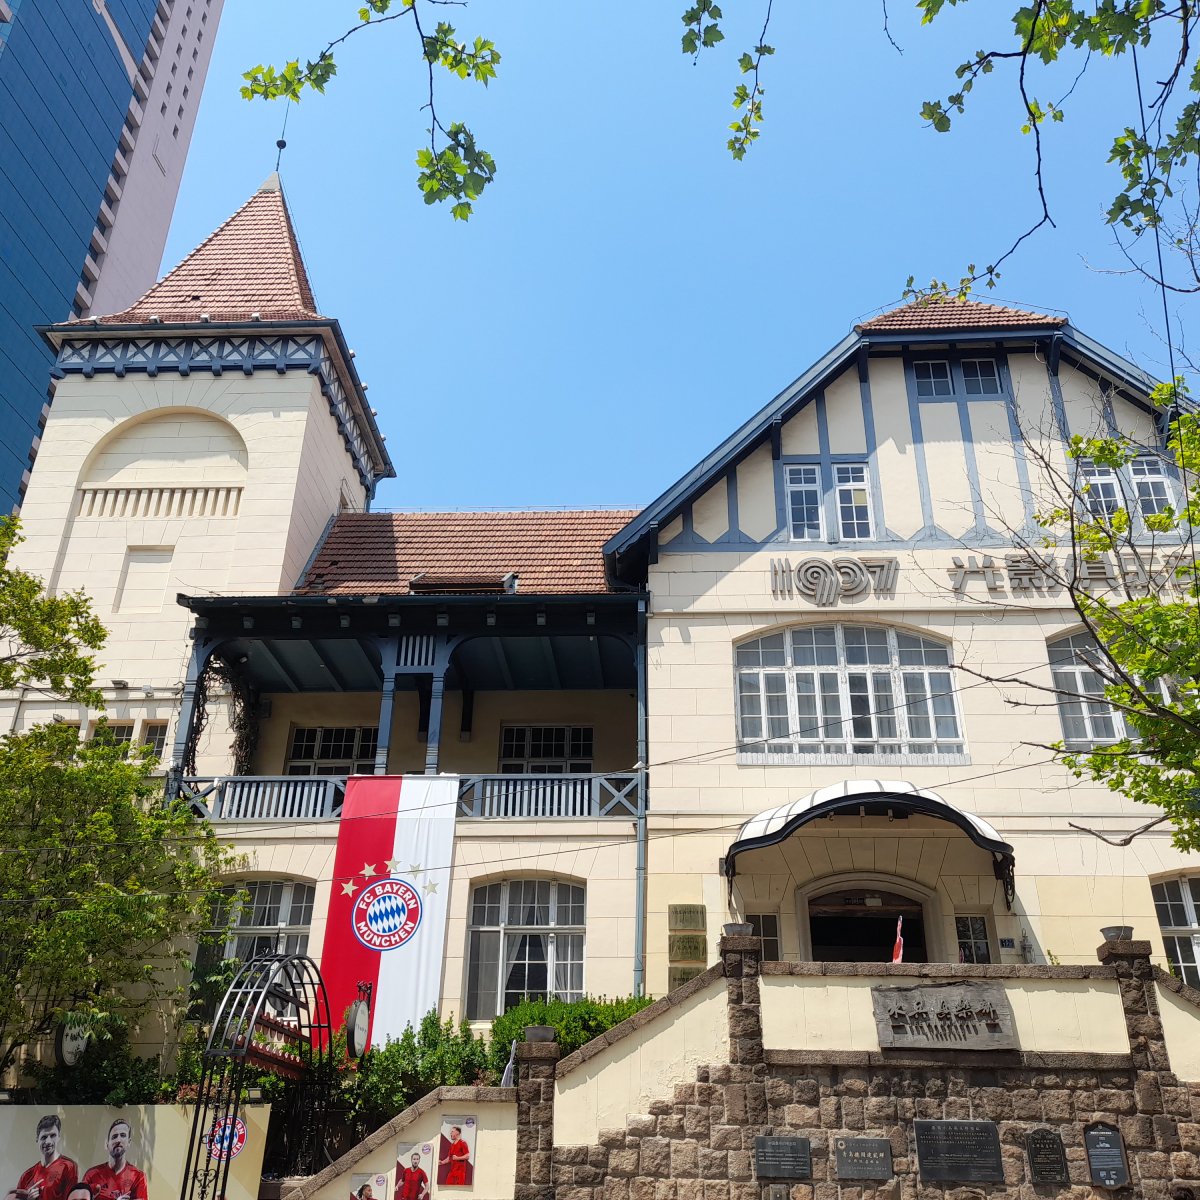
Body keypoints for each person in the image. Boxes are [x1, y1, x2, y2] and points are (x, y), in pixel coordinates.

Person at [5, 1115, 79, 1200]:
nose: (48, 1142)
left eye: (53, 1136)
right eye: (44, 1137)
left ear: (59, 1136)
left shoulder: (68, 1167)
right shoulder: (26, 1176)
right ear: (37, 1139)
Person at [82, 1120, 147, 1200]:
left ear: (129, 1142)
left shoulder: (138, 1177)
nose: (118, 1140)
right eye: (114, 1137)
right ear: (107, 1144)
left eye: (123, 1135)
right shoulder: (91, 1175)